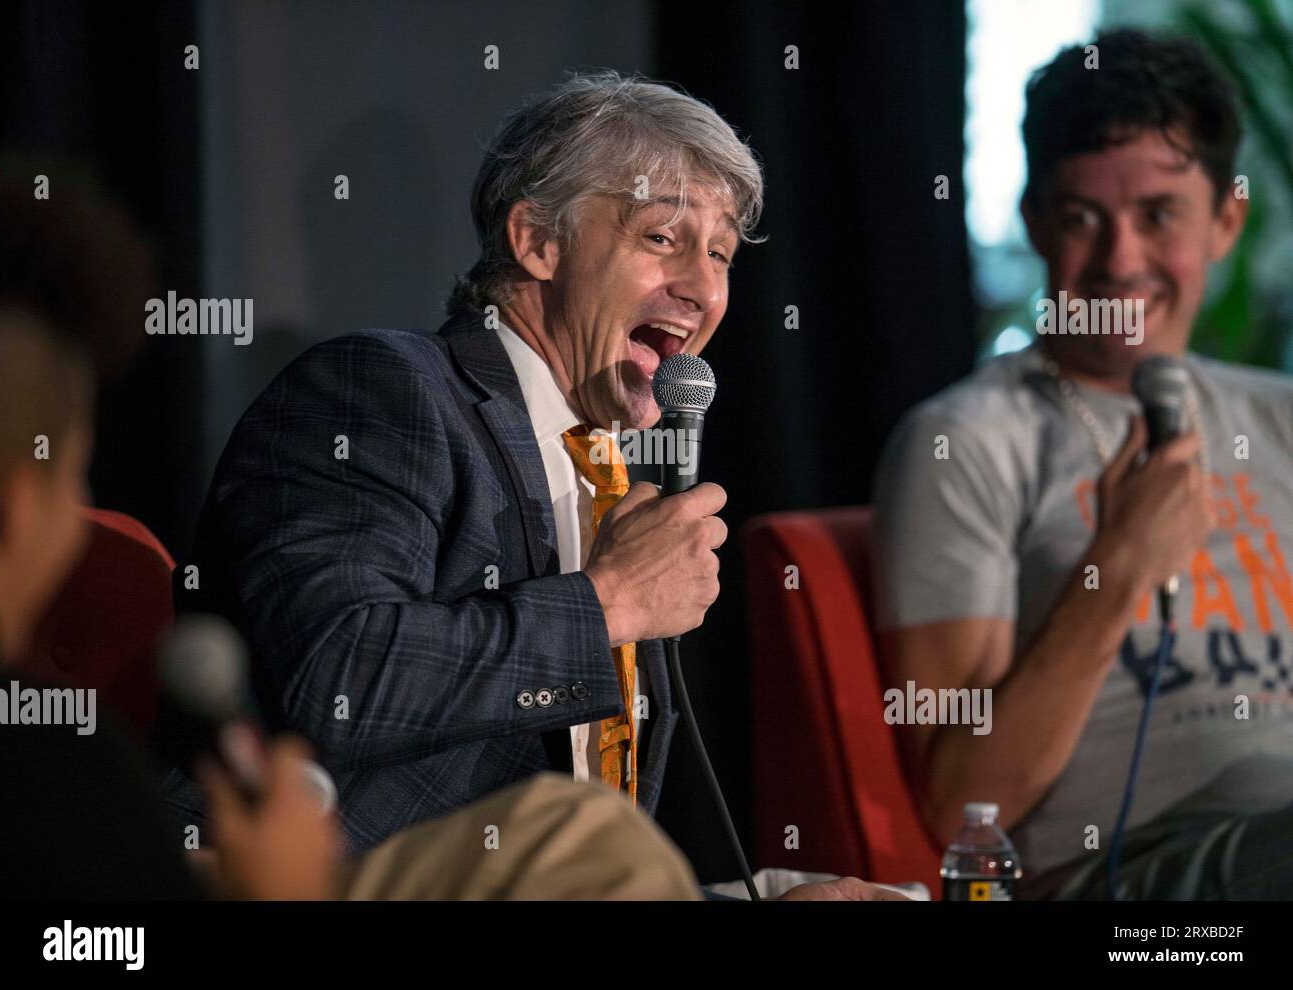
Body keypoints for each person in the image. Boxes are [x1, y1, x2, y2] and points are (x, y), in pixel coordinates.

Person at [164, 71, 898, 900]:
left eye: (720, 252)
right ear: (537, 242)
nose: (704, 287)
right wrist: (609, 600)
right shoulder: (385, 390)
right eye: (664, 238)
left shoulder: (614, 484)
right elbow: (338, 674)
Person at [872, 28, 1293, 899]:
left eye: (1158, 215)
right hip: (1128, 884)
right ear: (1033, 219)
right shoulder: (965, 442)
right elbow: (963, 805)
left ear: (1226, 220)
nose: (1120, 261)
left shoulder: (1277, 418)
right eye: (1081, 218)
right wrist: (1122, 562)